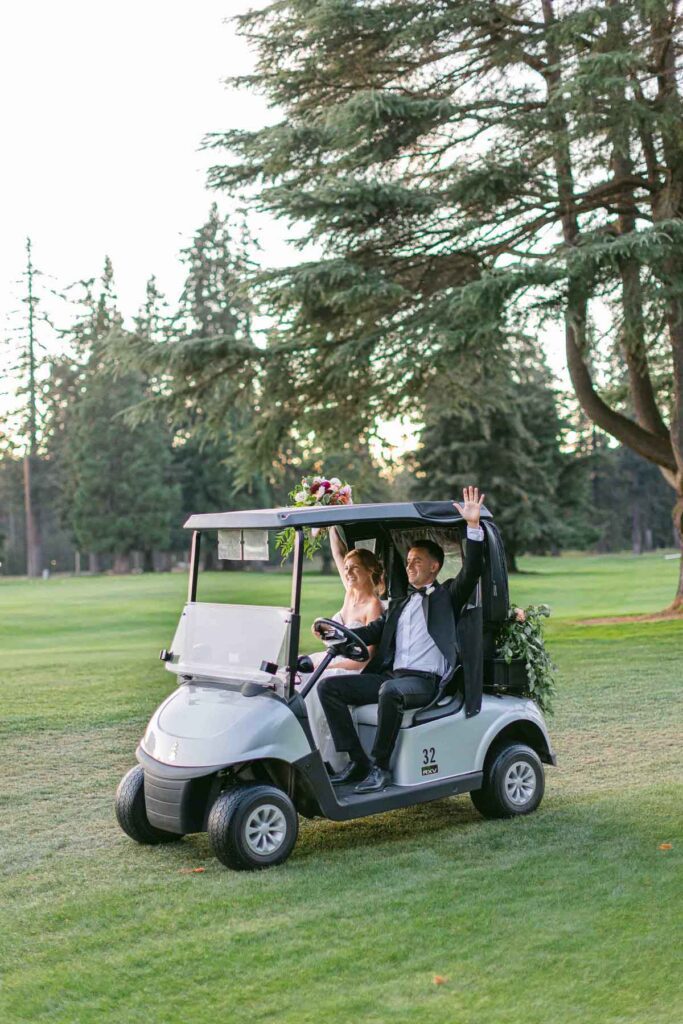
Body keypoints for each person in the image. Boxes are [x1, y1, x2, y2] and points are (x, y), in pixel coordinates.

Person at [316, 486, 486, 794]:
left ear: (434, 566)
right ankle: (358, 762)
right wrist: (337, 635)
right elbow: (371, 632)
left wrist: (472, 527)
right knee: (330, 688)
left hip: (424, 682)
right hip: (390, 677)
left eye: (417, 561)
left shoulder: (447, 596)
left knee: (390, 691)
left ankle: (380, 767)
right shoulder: (399, 604)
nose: (409, 566)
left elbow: (472, 570)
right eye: (407, 561)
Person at [303, 528, 385, 772]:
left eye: (355, 568)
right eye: (347, 568)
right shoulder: (350, 594)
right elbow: (339, 554)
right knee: (296, 671)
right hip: (335, 658)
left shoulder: (373, 606)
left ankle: (329, 760)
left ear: (370, 571)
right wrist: (331, 524)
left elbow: (364, 660)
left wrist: (329, 664)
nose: (348, 572)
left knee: (318, 681)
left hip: (355, 669)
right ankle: (302, 750)